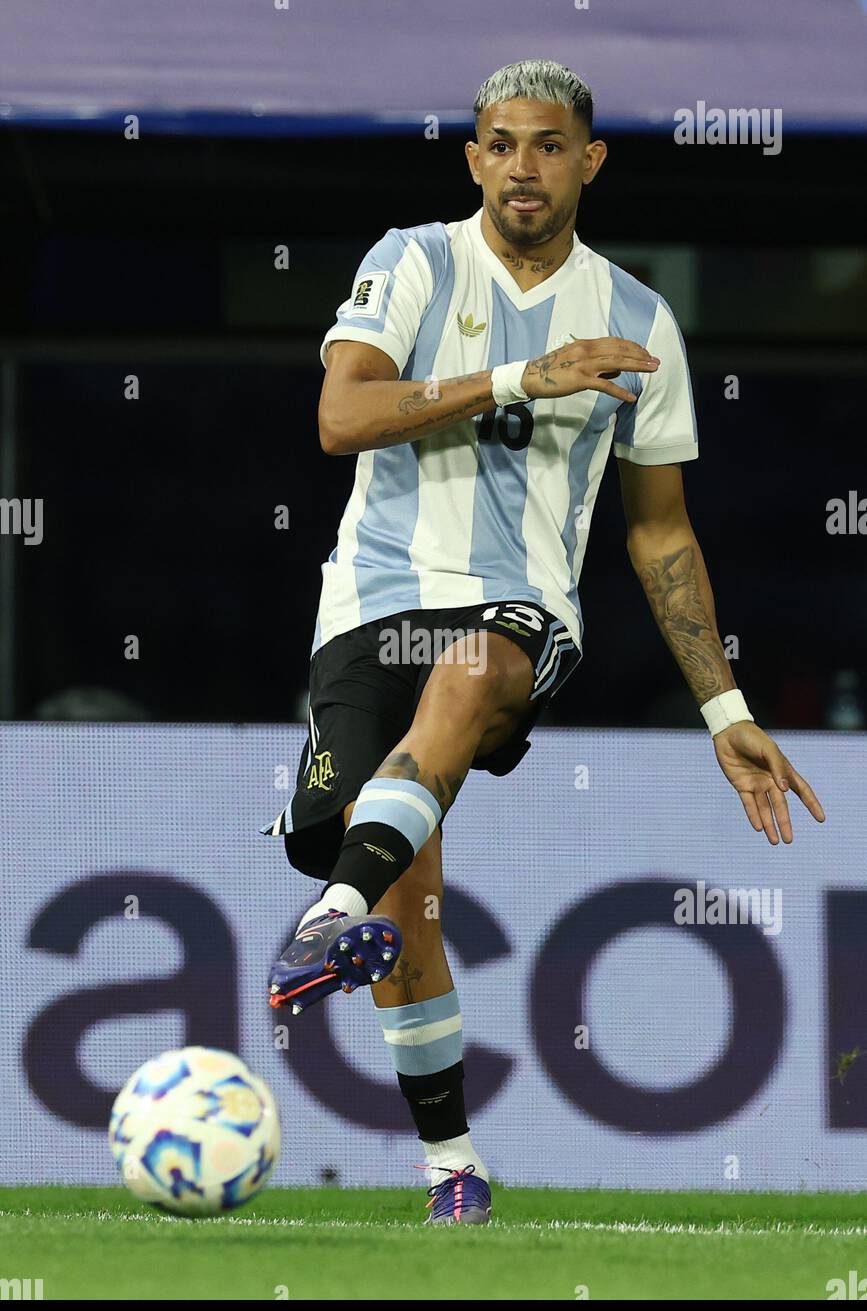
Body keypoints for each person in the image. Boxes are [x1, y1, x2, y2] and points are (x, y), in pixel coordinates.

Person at [260, 59, 825, 1224]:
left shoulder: (635, 317)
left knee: (469, 677)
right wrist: (523, 374)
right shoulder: (413, 259)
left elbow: (661, 533)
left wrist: (726, 710)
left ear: (590, 159)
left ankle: (320, 922)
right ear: (472, 157)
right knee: (405, 888)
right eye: (502, 143)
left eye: (551, 145)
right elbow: (340, 415)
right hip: (370, 604)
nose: (525, 165)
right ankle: (451, 1167)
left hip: (521, 612)